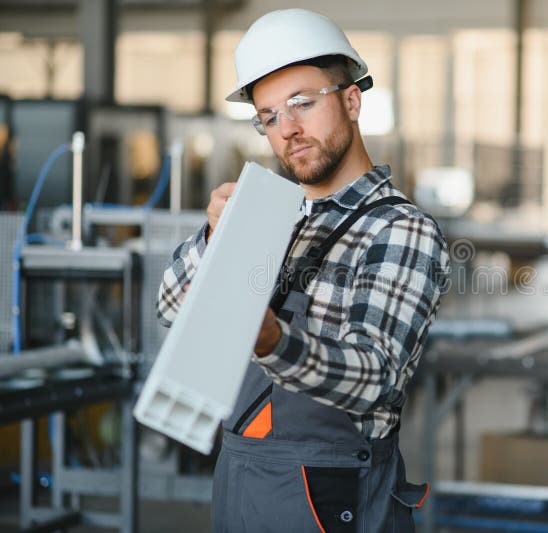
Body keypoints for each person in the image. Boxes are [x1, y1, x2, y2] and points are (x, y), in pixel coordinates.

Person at [156, 9, 450, 532]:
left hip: (332, 499)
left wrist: (270, 340)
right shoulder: (266, 216)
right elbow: (171, 310)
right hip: (242, 483)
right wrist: (213, 240)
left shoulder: (399, 230)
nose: (287, 129)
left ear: (352, 99)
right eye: (269, 116)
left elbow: (374, 378)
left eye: (302, 103)